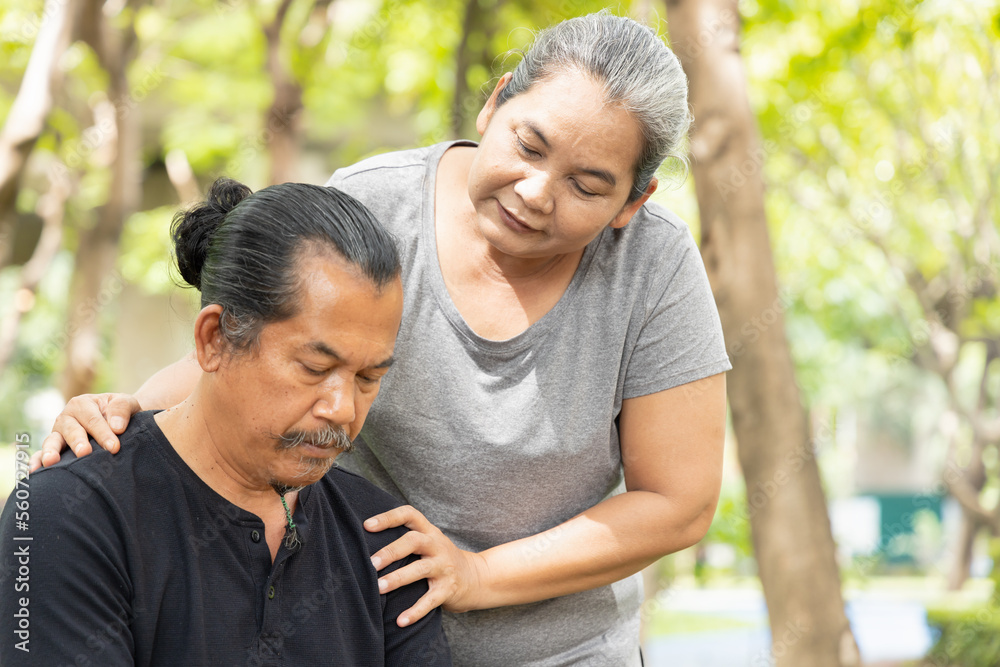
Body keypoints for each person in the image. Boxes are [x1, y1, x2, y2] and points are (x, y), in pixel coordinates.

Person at [33, 13, 730, 666]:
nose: (536, 191)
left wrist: (478, 572)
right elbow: (251, 350)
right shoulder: (378, 207)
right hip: (358, 628)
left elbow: (679, 500)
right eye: (529, 145)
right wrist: (119, 417)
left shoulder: (653, 270)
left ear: (632, 203)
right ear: (495, 106)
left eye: (586, 184)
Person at [2, 180, 452, 666]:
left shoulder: (384, 542)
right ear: (215, 339)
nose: (343, 409)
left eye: (368, 377)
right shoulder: (71, 515)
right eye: (315, 369)